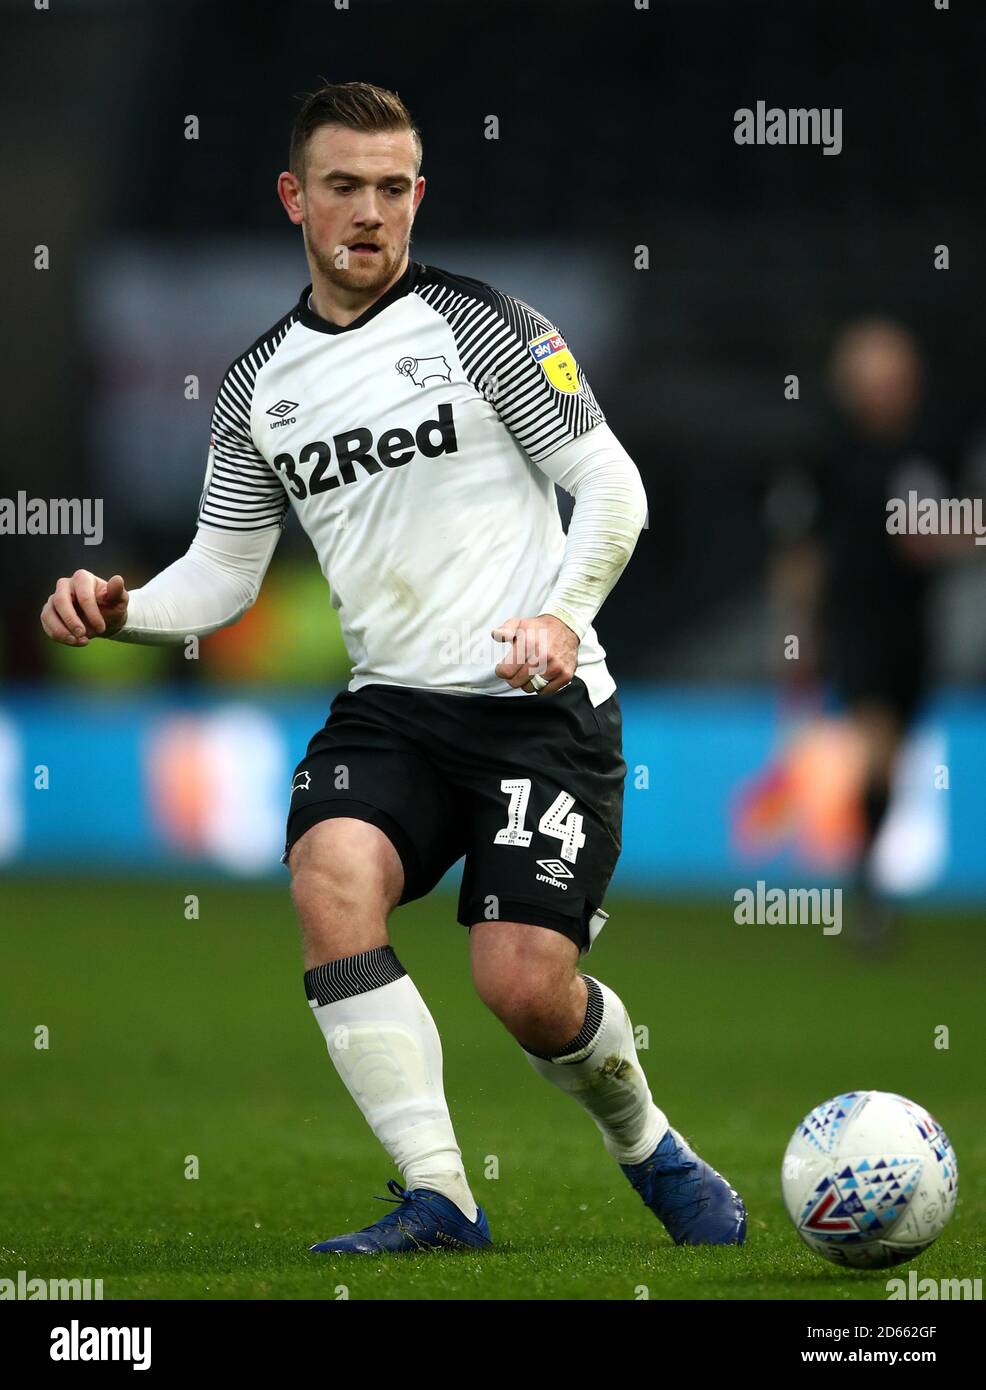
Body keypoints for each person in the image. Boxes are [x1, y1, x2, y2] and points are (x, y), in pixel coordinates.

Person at [40, 81, 745, 1253]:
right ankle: (441, 1196)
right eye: (342, 188)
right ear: (293, 199)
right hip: (391, 714)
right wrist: (119, 609)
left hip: (540, 709)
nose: (369, 213)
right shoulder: (261, 383)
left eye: (391, 188)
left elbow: (612, 485)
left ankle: (645, 1141)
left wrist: (562, 615)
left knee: (522, 987)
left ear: (417, 195)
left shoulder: (483, 324)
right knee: (328, 874)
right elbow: (223, 572)